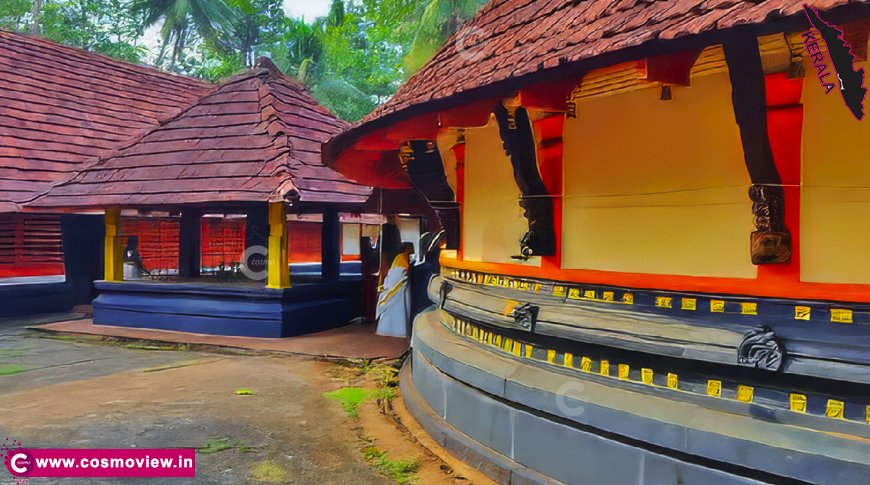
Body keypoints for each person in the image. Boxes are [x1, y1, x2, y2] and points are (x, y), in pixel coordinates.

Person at [375, 226, 411, 338]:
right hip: (400, 286)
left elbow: (392, 282)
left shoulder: (398, 258)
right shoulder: (402, 254)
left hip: (396, 283)